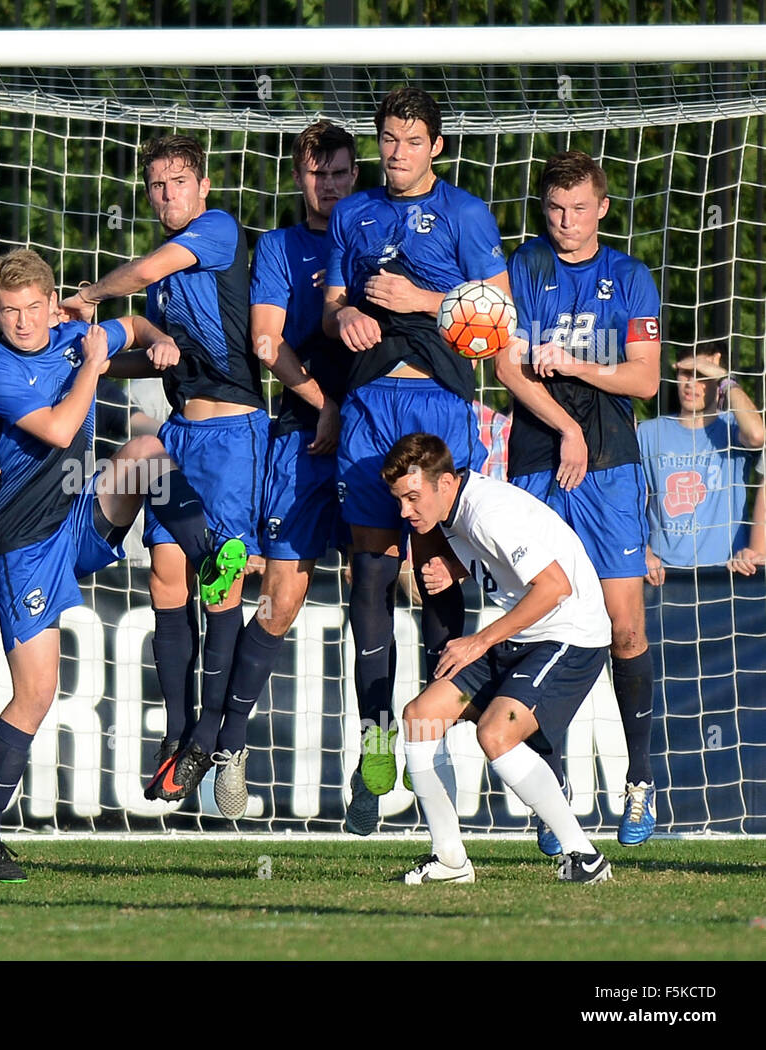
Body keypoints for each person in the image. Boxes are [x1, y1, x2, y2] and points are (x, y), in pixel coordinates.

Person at [0, 248, 244, 878]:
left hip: (79, 512)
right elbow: (64, 430)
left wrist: (160, 340)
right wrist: (95, 363)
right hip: (28, 545)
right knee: (35, 696)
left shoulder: (70, 335)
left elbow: (135, 329)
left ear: (50, 301)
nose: (23, 322)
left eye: (34, 307)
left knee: (147, 447)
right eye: (9, 311)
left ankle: (207, 561)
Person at [320, 87, 508, 833]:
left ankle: (436, 741)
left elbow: (495, 324)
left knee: (436, 571)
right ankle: (373, 746)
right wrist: (350, 316)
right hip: (370, 407)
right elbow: (333, 305)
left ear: (436, 144)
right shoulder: (351, 212)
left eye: (408, 139)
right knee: (368, 572)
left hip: (436, 405)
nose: (395, 152)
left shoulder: (465, 213)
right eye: (387, 139)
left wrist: (421, 299)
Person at [58, 134, 264, 806]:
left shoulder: (217, 230)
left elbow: (141, 273)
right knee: (166, 575)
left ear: (202, 188)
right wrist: (88, 362)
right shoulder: (169, 286)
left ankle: (213, 734)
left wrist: (86, 294)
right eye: (155, 185)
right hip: (180, 429)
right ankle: (178, 736)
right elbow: (154, 356)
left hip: (232, 432)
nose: (167, 193)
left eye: (178, 181)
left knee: (221, 583)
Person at [495, 149, 663, 849]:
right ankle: (552, 788)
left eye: (579, 209)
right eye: (555, 209)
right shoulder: (520, 268)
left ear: (602, 207)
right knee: (543, 622)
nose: (566, 222)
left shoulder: (629, 277)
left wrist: (578, 368)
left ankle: (640, 784)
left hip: (611, 466)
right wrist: (566, 425)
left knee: (625, 627)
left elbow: (647, 380)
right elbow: (505, 362)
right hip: (539, 458)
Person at [190, 121, 357, 820]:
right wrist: (324, 406)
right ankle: (230, 741)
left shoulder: (381, 230)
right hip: (306, 435)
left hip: (381, 432)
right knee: (282, 601)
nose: (328, 185)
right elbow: (266, 341)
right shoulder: (281, 246)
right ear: (299, 177)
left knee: (391, 589)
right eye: (317, 174)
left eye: (341, 173)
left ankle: (380, 757)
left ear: (357, 174)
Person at [383, 433, 614, 884]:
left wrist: (478, 641)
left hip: (571, 633)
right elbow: (503, 564)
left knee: (496, 735)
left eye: (413, 497)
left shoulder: (487, 511)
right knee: (420, 717)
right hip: (527, 632)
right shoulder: (454, 513)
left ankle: (584, 856)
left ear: (445, 482)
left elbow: (554, 587)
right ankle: (450, 860)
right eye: (400, 501)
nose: (406, 511)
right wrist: (455, 567)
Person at [639, 347, 764, 579]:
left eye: (703, 375)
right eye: (686, 373)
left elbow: (758, 435)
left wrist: (725, 378)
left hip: (725, 574)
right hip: (662, 575)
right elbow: (631, 501)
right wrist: (641, 550)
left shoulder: (732, 431)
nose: (691, 383)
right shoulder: (647, 433)